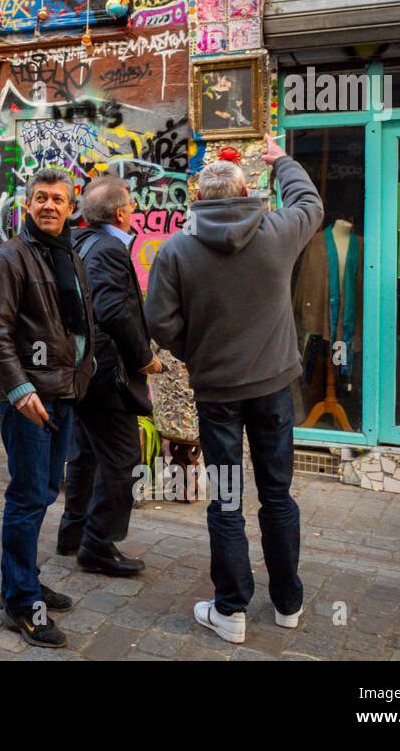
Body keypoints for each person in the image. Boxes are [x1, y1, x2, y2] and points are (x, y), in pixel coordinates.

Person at [144, 134, 323, 645]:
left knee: (225, 499)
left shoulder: (177, 248)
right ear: (248, 191)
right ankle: (288, 602)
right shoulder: (279, 229)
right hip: (273, 387)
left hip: (217, 392)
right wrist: (282, 159)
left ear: (196, 199)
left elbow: (159, 320)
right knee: (278, 495)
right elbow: (310, 202)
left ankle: (231, 609)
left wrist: (197, 351)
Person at [0, 168, 95, 649]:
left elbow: (81, 319)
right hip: (31, 398)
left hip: (64, 392)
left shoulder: (68, 251)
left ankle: (22, 578)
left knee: (45, 491)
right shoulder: (12, 257)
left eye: (58, 200)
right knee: (27, 496)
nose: (49, 206)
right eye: (41, 198)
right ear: (28, 206)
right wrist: (19, 389)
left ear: (72, 208)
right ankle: (22, 602)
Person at [57, 175, 161, 577]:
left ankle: (73, 533)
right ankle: (98, 545)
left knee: (84, 451)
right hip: (104, 374)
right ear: (120, 213)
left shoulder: (82, 241)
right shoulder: (106, 249)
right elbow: (112, 310)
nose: (135, 211)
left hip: (85, 370)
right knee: (123, 458)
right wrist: (143, 358)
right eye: (132, 206)